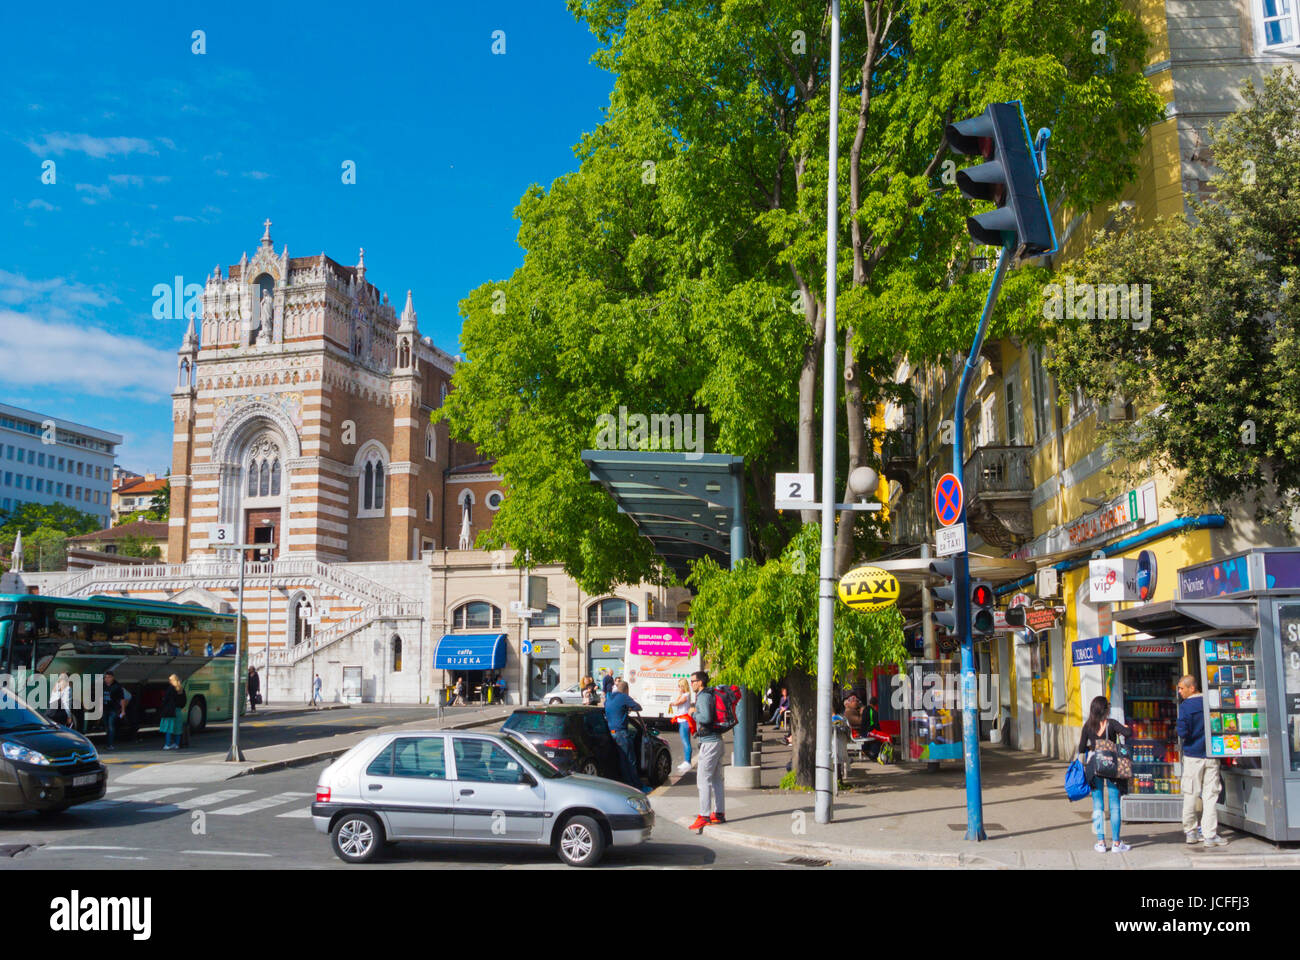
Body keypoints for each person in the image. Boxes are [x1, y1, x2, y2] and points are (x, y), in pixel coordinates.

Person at [1078, 695, 1133, 853]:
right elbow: (1128, 733)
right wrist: (1125, 727)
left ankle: (1101, 842)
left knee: (1097, 805)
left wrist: (1092, 748)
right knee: (1114, 804)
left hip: (1094, 766)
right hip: (1112, 767)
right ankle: (1116, 843)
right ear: (1106, 710)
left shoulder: (1088, 726)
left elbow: (1081, 748)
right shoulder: (1112, 724)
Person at [1177, 674, 1227, 847]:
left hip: (1192, 756)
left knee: (1190, 793)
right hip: (1212, 754)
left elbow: (1182, 732)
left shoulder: (1185, 707)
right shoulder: (1209, 702)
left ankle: (1190, 831)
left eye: (1181, 688)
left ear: (1192, 688)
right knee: (1210, 795)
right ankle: (1209, 835)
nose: (1179, 691)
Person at [689, 671, 726, 831]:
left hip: (709, 743)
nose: (691, 684)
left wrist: (693, 713)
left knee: (703, 780)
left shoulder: (703, 696)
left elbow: (705, 718)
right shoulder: (710, 694)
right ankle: (718, 813)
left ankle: (704, 816)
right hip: (717, 741)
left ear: (700, 682)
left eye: (693, 681)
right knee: (717, 779)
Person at [604, 679, 648, 792]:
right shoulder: (624, 697)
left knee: (622, 759)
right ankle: (637, 786)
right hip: (621, 733)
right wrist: (629, 707)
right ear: (626, 690)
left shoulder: (609, 697)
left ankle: (627, 784)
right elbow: (638, 707)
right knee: (630, 760)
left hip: (611, 732)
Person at [671, 677, 694, 772]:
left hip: (684, 720)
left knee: (686, 742)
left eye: (680, 686)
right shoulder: (683, 694)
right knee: (685, 742)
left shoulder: (686, 695)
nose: (679, 688)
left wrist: (673, 703)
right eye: (678, 686)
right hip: (681, 720)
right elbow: (678, 701)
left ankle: (687, 762)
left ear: (684, 686)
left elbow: (678, 702)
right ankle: (686, 761)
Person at [102, 671, 128, 751]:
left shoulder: (117, 686)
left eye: (109, 677)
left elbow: (122, 699)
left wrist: (123, 710)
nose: (107, 679)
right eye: (106, 677)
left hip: (114, 709)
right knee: (106, 727)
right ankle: (108, 742)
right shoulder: (103, 686)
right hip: (105, 709)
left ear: (113, 678)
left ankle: (110, 744)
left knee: (111, 726)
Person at [160, 674, 187, 750]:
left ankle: (167, 744)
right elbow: (184, 701)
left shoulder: (170, 689)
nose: (169, 681)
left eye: (170, 680)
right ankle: (176, 744)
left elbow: (166, 699)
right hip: (178, 711)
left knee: (168, 728)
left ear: (172, 680)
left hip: (170, 711)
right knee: (177, 728)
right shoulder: (181, 689)